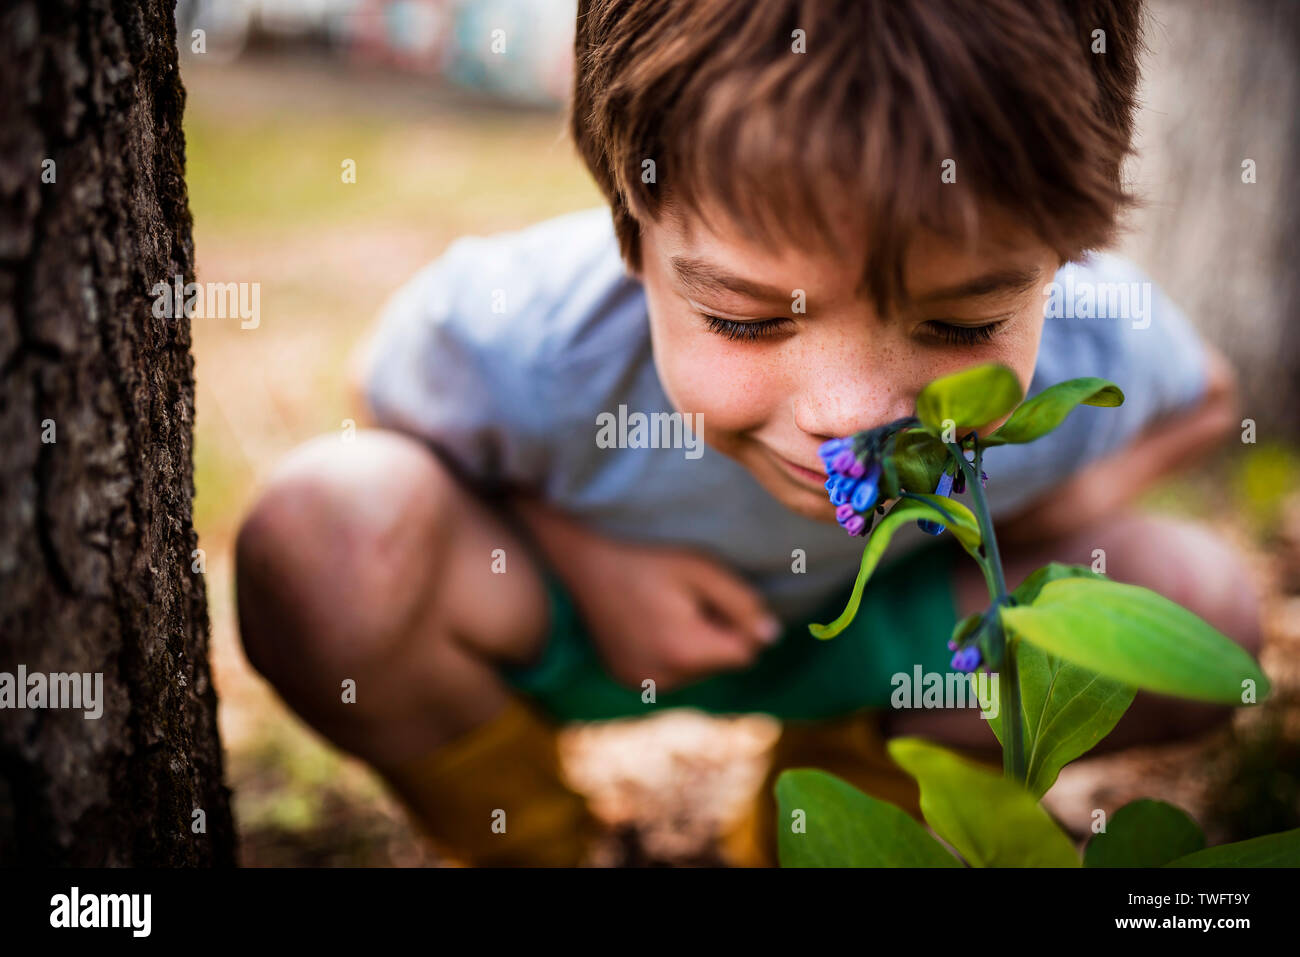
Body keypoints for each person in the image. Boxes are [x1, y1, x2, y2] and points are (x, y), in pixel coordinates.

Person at [235, 0, 1261, 866]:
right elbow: (383, 392)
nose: (853, 415)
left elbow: (1205, 397)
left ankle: (813, 826)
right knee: (328, 539)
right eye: (746, 318)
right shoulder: (531, 327)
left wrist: (1063, 500)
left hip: (894, 642)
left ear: (1065, 255)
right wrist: (580, 557)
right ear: (632, 228)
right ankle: (540, 847)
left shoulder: (1091, 340)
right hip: (587, 632)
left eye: (960, 323)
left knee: (1198, 607)